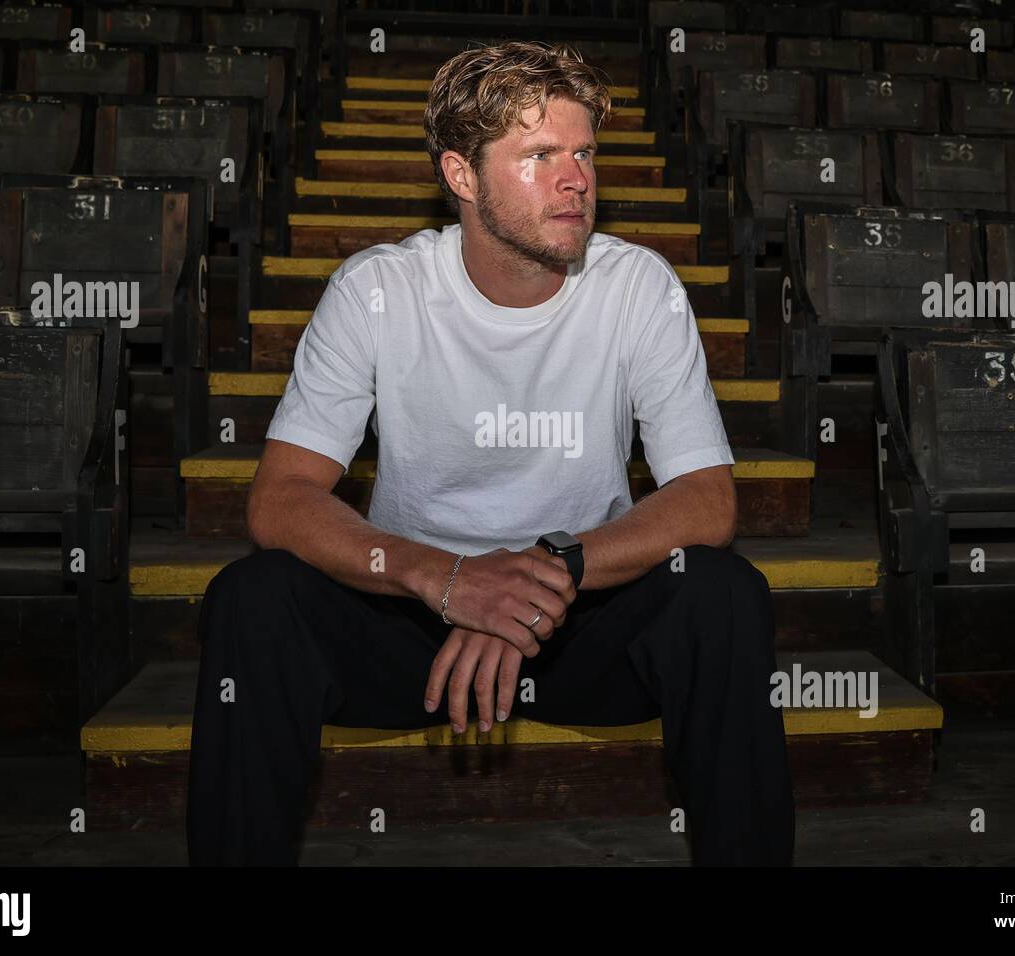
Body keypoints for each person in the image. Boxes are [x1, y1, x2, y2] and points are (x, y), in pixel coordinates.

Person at [187, 40, 794, 866]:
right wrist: (446, 580)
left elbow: (706, 501)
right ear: (461, 176)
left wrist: (543, 575)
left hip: (582, 614)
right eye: (540, 155)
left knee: (721, 594)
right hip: (416, 627)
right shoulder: (376, 291)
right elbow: (281, 498)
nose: (577, 178)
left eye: (583, 152)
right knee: (253, 599)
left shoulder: (638, 287)